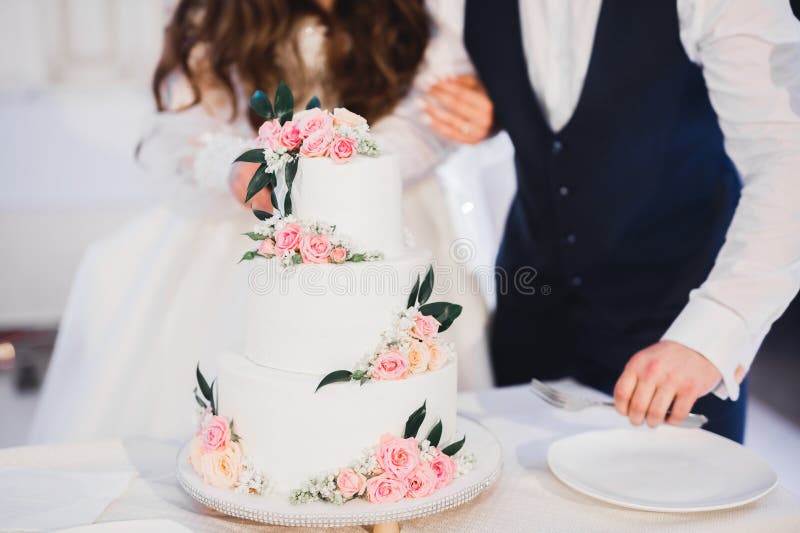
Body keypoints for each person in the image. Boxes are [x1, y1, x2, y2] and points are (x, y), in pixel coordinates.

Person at [29, 0, 492, 443]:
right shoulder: (216, 12)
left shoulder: (415, 13)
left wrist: (341, 163)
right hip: (246, 222)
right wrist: (237, 165)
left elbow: (435, 115)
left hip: (388, 211)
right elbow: (175, 136)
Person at [425, 0, 800, 442]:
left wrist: (718, 324)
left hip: (677, 315)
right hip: (530, 308)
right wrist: (486, 109)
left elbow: (786, 159)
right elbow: (433, 89)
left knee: (679, 504)